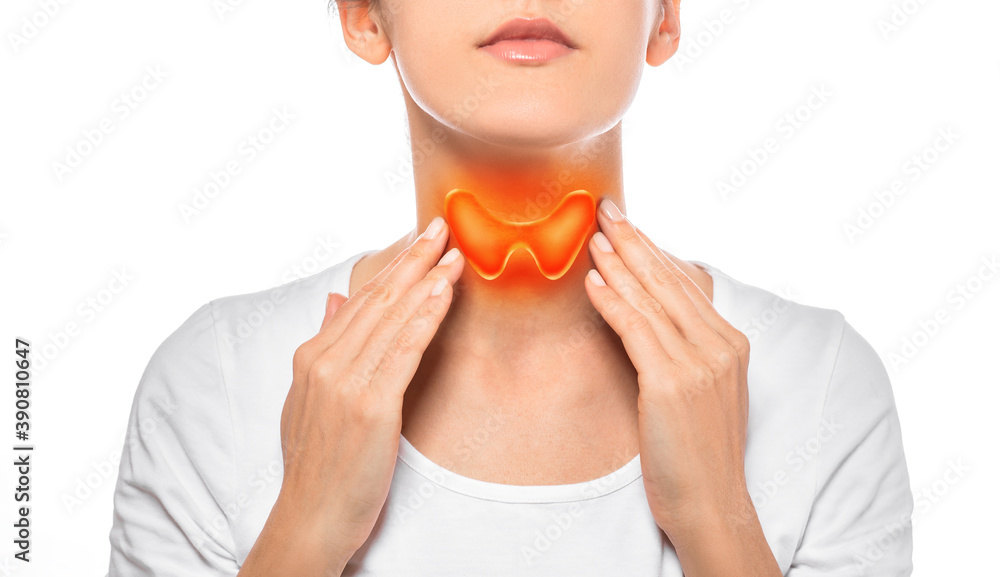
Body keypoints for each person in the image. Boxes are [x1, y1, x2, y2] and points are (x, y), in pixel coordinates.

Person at [107, 0, 914, 575]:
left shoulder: (824, 385)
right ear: (363, 15)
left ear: (664, 16)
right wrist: (305, 531)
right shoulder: (212, 381)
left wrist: (718, 521)